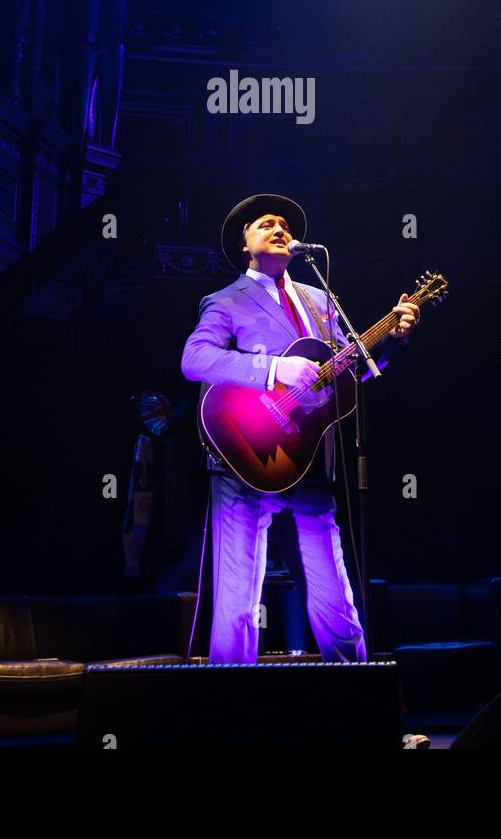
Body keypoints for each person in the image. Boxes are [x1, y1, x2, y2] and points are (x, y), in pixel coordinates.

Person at [181, 192, 420, 664]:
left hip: (309, 455)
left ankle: (361, 707)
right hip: (243, 456)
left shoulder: (319, 298)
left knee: (336, 591)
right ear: (244, 245)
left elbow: (353, 371)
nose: (280, 228)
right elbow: (195, 360)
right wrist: (273, 370)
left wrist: (392, 342)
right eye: (266, 223)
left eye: (285, 224)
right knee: (238, 599)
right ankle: (228, 716)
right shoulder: (226, 300)